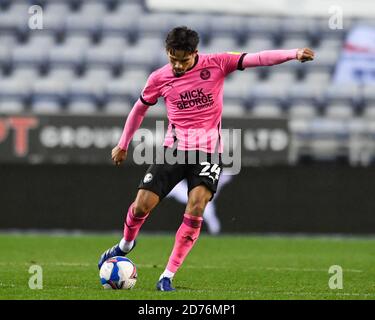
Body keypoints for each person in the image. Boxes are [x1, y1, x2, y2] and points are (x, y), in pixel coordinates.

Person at [98, 26, 314, 291]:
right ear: (168, 53)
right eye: (172, 58)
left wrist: (293, 53)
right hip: (173, 149)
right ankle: (126, 244)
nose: (177, 65)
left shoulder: (218, 64)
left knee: (197, 205)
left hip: (209, 152)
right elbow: (139, 109)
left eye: (183, 60)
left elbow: (257, 58)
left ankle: (167, 276)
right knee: (142, 205)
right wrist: (123, 144)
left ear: (195, 54)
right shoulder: (159, 78)